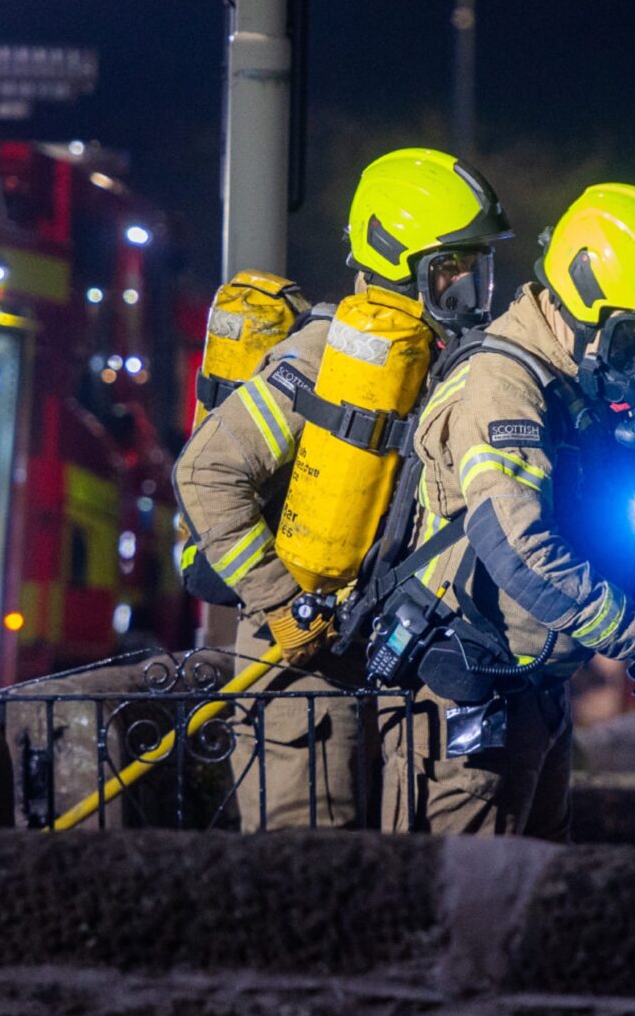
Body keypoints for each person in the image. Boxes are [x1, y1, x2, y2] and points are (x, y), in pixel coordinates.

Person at [171, 147, 512, 829]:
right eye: (453, 268)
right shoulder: (320, 356)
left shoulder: (433, 360)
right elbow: (204, 473)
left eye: (478, 267)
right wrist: (278, 603)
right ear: (398, 260)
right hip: (293, 671)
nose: (472, 288)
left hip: (380, 665)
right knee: (307, 879)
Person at [376, 182, 635, 838]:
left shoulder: (573, 384)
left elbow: (603, 531)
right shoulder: (504, 385)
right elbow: (519, 550)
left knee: (533, 906)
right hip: (471, 699)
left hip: (536, 690)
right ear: (587, 302)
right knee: (468, 913)